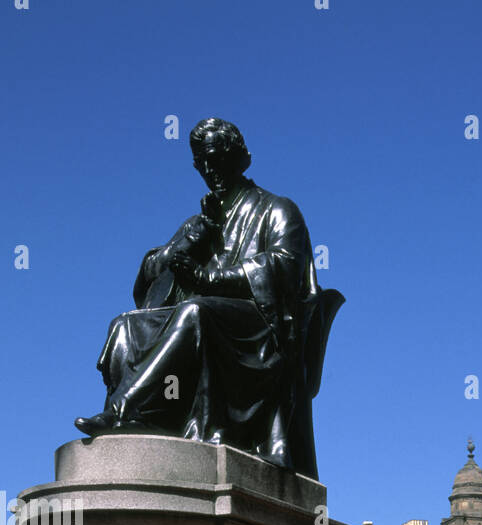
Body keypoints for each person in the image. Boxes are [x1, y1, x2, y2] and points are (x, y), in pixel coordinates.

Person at [75, 118, 342, 478]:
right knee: (125, 325)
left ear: (240, 158)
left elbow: (284, 268)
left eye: (216, 159)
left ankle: (125, 409)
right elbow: (149, 277)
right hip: (207, 324)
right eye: (201, 162)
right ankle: (148, 420)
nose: (209, 169)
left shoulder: (278, 209)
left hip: (260, 330)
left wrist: (208, 277)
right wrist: (188, 243)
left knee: (195, 312)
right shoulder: (199, 221)